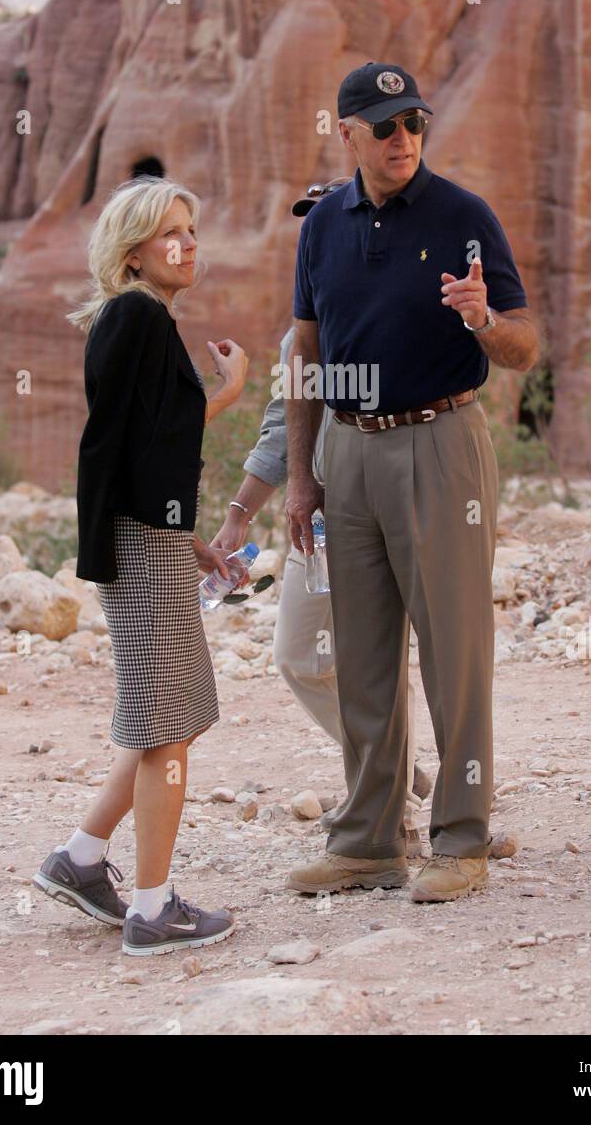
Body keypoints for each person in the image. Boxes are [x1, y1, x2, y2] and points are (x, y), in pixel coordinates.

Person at [284, 61, 538, 902]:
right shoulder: (321, 225)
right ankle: (365, 843)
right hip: (347, 451)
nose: (403, 140)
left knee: (455, 652)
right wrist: (300, 477)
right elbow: (306, 351)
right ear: (347, 131)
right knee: (360, 657)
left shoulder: (464, 215)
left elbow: (524, 347)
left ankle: (460, 838)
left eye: (415, 124)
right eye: (385, 126)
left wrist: (481, 319)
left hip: (440, 441)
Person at [32, 174, 249, 955]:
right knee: (168, 733)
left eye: (191, 230)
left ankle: (80, 861)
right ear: (133, 251)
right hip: (136, 549)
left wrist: (188, 540)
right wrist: (231, 390)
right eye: (169, 233)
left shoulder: (139, 318)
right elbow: (165, 435)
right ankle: (154, 912)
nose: (187, 244)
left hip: (143, 543)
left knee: (161, 719)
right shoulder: (136, 315)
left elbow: (133, 452)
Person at [210, 310, 431, 857]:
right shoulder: (304, 331)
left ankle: (388, 802)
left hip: (382, 510)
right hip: (316, 522)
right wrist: (239, 514)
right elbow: (284, 427)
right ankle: (393, 770)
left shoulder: (390, 306)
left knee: (375, 659)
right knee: (299, 657)